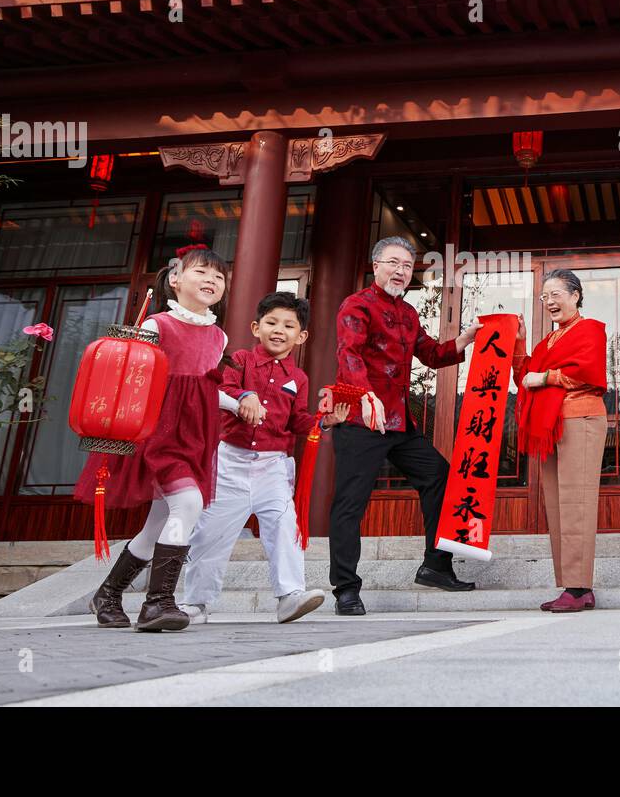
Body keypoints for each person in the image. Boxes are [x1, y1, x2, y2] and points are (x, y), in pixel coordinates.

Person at [326, 236, 483, 615]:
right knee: (351, 503)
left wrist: (465, 338)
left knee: (440, 476)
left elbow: (430, 354)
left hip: (398, 421)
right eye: (393, 263)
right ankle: (346, 589)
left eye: (407, 266)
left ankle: (435, 565)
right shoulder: (356, 305)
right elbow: (348, 354)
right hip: (361, 417)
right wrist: (365, 395)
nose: (400, 271)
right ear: (376, 265)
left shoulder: (409, 314)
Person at [76, 244, 230, 631]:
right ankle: (158, 603)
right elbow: (133, 381)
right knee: (189, 504)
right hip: (159, 435)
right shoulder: (157, 325)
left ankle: (107, 595)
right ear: (174, 281)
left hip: (195, 437)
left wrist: (239, 399)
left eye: (220, 276)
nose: (212, 280)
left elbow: (204, 389)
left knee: (159, 522)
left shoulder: (219, 337)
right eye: (202, 272)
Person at [179, 292, 350, 626]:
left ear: (301, 337)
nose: (278, 330)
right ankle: (196, 603)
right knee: (210, 533)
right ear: (256, 327)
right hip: (230, 463)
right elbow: (223, 389)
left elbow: (297, 419)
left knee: (285, 527)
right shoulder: (239, 361)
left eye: (289, 325)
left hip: (273, 467)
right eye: (271, 323)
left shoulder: (298, 378)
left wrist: (324, 421)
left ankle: (289, 597)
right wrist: (246, 395)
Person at [513, 269, 608, 612]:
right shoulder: (546, 343)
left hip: (581, 418)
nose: (549, 302)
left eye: (556, 294)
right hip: (552, 425)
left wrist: (546, 376)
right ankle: (573, 586)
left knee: (577, 502)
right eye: (544, 297)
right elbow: (524, 378)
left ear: (576, 295)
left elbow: (589, 372)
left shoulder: (591, 330)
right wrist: (521, 343)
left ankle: (580, 587)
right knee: (556, 503)